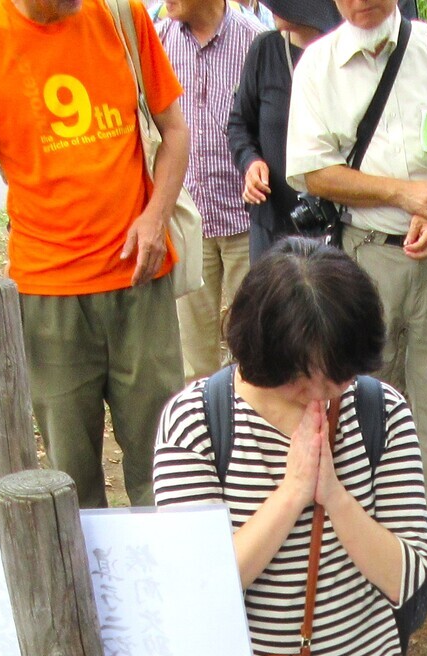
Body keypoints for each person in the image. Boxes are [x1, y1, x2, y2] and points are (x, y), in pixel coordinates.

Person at [152, 238, 427, 656]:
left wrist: (334, 493)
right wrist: (289, 493)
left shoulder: (378, 413)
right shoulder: (197, 423)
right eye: (305, 376)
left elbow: (409, 574)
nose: (324, 393)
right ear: (262, 352)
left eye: (339, 375)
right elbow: (193, 595)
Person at [0, 0, 190, 510]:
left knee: (164, 463)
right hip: (47, 292)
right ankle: (84, 586)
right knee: (70, 478)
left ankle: (164, 581)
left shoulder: (122, 15)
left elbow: (176, 132)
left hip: (140, 281)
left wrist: (155, 216)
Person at [285, 0, 427, 515]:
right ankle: (364, 520)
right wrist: (405, 195)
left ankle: (424, 528)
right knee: (360, 390)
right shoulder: (318, 65)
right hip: (364, 256)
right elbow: (314, 171)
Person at [159, 0, 257, 379]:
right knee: (191, 358)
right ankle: (203, 432)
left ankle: (248, 429)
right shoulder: (161, 41)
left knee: (253, 346)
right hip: (186, 221)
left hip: (243, 219)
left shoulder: (253, 40)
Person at [229, 0, 335, 261]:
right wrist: (250, 162)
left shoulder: (340, 54)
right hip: (272, 224)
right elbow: (239, 124)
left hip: (334, 225)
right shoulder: (265, 50)